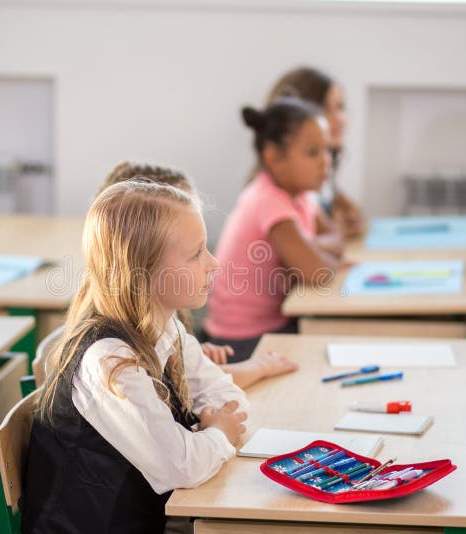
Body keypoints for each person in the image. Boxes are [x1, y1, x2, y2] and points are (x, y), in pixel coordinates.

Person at [22, 180, 249, 533]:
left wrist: (210, 430)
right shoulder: (108, 361)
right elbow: (180, 466)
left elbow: (228, 397)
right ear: (142, 271)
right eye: (195, 254)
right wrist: (217, 433)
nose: (214, 263)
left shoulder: (165, 327)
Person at [100, 162, 298, 388]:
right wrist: (259, 367)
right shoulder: (118, 351)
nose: (212, 263)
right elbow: (186, 387)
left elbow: (186, 378)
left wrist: (192, 357)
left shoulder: (165, 317)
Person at [204, 97, 347, 360]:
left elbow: (337, 239)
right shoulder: (268, 200)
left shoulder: (301, 195)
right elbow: (318, 272)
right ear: (274, 158)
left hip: (270, 325)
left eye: (327, 150)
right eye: (312, 152)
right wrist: (313, 252)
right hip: (242, 341)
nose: (325, 161)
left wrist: (309, 248)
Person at [267, 66, 364, 238]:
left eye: (340, 107)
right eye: (325, 109)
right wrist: (339, 230)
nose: (340, 119)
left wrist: (348, 215)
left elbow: (343, 218)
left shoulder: (321, 176)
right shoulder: (282, 189)